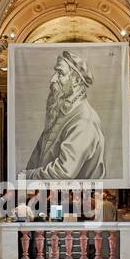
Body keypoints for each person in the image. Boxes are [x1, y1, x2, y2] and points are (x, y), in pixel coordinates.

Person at [23, 49, 106, 181]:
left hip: (77, 198)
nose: (52, 79)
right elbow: (36, 160)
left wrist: (26, 176)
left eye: (60, 73)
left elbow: (63, 172)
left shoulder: (84, 121)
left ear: (76, 81)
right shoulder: (60, 112)